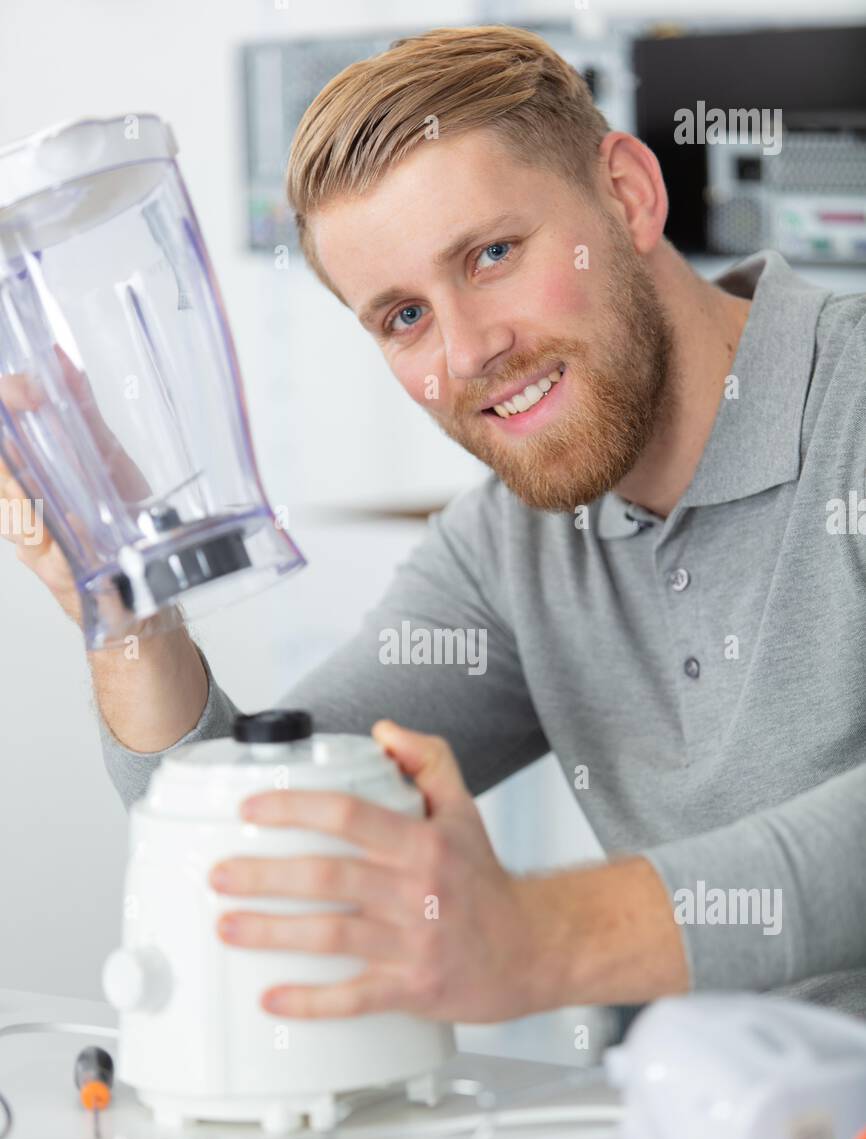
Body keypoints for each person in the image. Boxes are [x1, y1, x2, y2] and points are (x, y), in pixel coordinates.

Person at [3, 26, 865, 1025]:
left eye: (491, 254)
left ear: (625, 196)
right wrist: (124, 607)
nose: (464, 354)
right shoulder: (511, 550)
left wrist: (547, 935)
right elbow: (238, 831)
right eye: (401, 317)